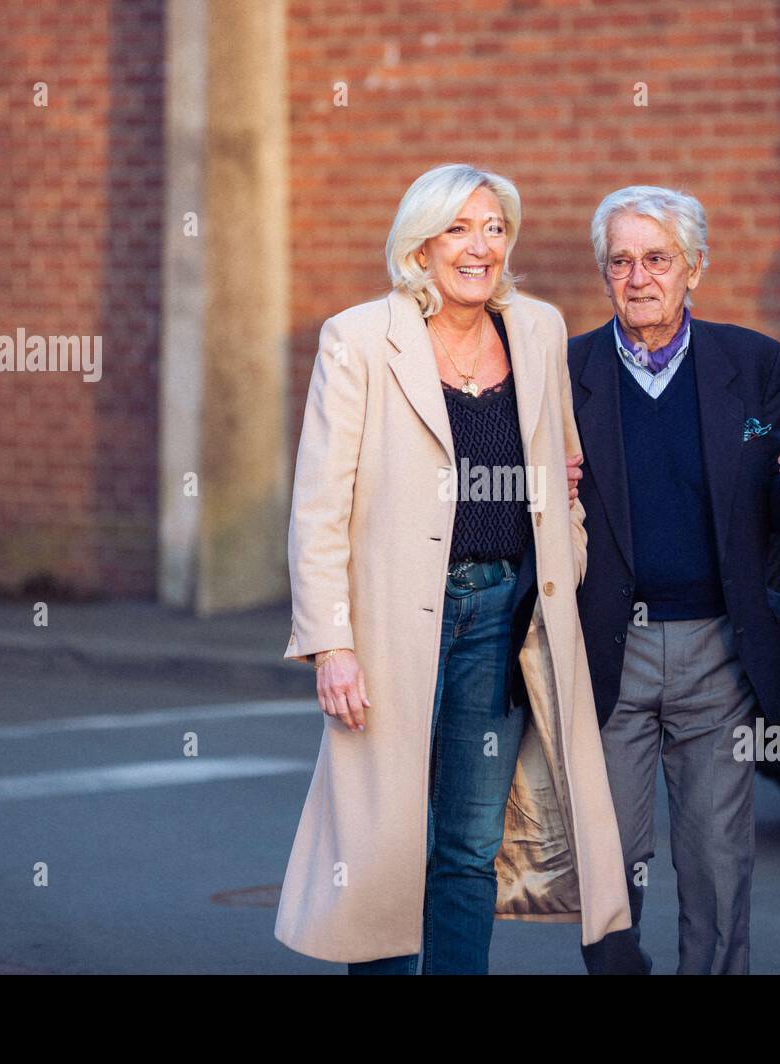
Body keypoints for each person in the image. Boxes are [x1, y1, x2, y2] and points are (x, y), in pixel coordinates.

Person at [274, 163, 631, 974]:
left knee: (470, 845)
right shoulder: (360, 337)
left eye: (496, 229)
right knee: (384, 841)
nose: (482, 248)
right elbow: (320, 504)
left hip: (503, 615)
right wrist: (330, 643)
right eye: (460, 229)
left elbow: (563, 465)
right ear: (421, 246)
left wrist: (562, 558)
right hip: (395, 622)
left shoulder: (536, 329)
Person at [568, 186, 780, 975]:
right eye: (620, 261)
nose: (638, 276)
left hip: (717, 646)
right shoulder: (564, 368)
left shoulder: (752, 362)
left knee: (718, 866)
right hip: (606, 644)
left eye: (657, 259)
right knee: (606, 867)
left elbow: (777, 507)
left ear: (696, 268)